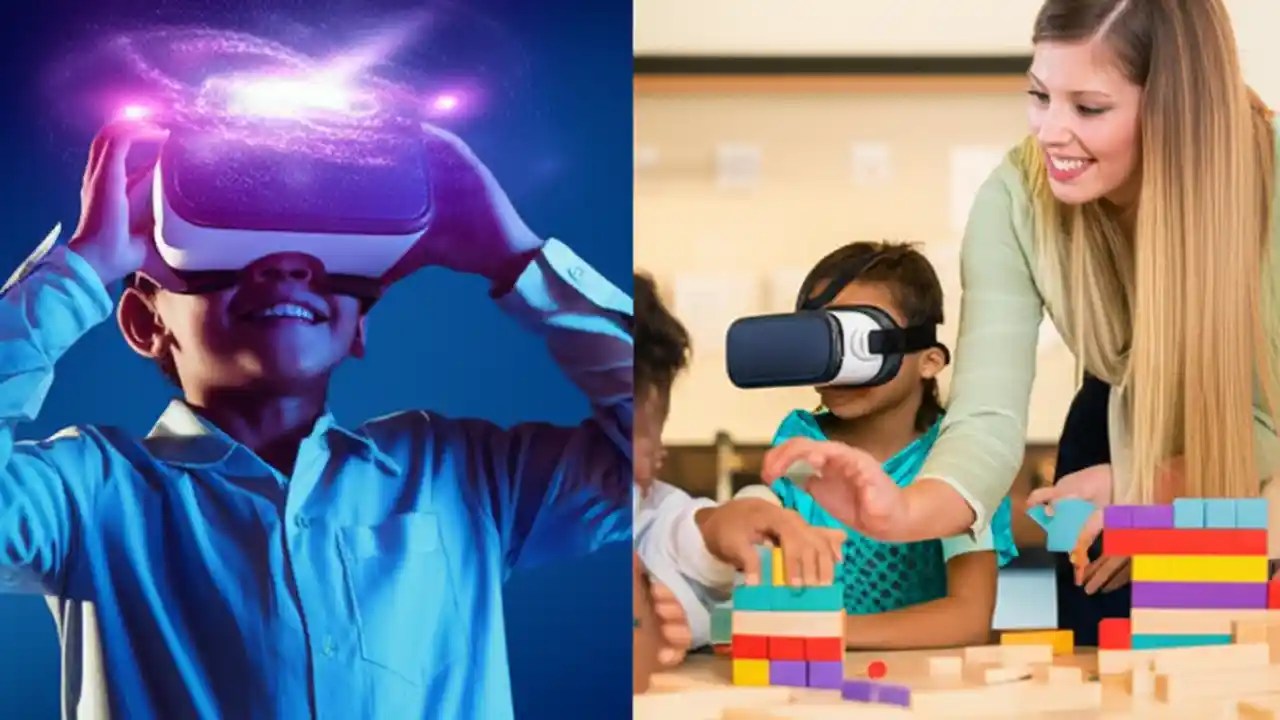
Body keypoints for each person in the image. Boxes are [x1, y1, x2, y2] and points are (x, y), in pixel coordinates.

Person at [0, 119, 631, 719]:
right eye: (229, 242)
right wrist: (79, 270)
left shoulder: (464, 477)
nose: (285, 265)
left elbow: (649, 449)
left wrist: (516, 257)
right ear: (145, 321)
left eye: (324, 255)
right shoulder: (82, 495)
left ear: (360, 325)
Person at [762, 0, 1280, 611]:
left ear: (1176, 107)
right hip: (1125, 437)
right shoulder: (1016, 198)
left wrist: (1148, 486)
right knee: (1123, 653)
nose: (1050, 132)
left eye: (1089, 107)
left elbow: (1258, 422)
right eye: (1039, 95)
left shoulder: (1266, 184)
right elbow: (985, 419)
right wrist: (903, 510)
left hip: (1242, 466)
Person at [741, 242, 1017, 648]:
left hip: (923, 679)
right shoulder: (802, 445)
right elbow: (771, 512)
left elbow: (968, 616)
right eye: (823, 341)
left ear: (930, 360)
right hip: (814, 676)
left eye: (859, 342)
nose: (838, 368)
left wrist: (825, 631)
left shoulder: (959, 462)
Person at [632, 271, 843, 665]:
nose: (653, 460)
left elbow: (673, 535)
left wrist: (731, 522)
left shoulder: (642, 508)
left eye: (652, 440)